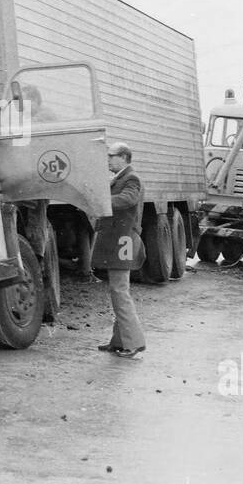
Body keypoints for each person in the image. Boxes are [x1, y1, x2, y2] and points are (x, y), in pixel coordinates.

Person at [90, 142, 146, 359]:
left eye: (112, 156)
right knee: (118, 290)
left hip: (123, 241)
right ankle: (120, 341)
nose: (108, 160)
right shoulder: (121, 178)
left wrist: (101, 201)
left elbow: (128, 199)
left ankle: (134, 344)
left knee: (120, 290)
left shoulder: (131, 178)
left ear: (124, 157)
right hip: (120, 240)